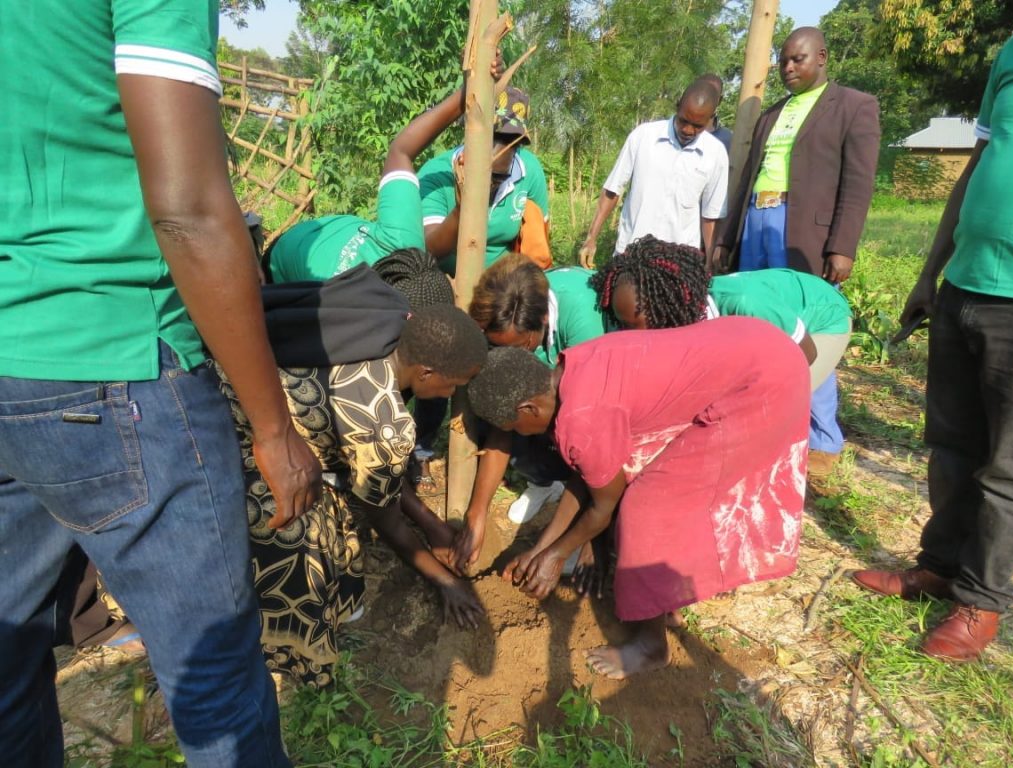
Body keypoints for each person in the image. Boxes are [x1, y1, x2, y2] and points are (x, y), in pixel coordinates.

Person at [0, 1, 321, 766]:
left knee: (7, 672)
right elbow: (187, 211)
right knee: (215, 686)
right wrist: (274, 432)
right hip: (114, 361)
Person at [467, 318, 809, 679]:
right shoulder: (573, 369)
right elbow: (587, 477)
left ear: (528, 410)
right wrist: (542, 550)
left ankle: (651, 645)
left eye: (514, 429)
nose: (521, 435)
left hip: (760, 385)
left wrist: (555, 555)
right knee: (673, 487)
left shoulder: (582, 419)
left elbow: (604, 504)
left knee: (646, 509)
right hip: (758, 347)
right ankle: (666, 597)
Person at [851, 31, 1013, 662]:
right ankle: (940, 568)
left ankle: (980, 602)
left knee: (1009, 468)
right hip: (966, 283)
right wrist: (931, 273)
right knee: (951, 448)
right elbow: (976, 167)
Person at [219, 302, 489, 685]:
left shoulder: (377, 334)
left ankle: (340, 603)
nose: (452, 394)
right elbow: (386, 520)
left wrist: (431, 524)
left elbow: (379, 474)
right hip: (234, 441)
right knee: (302, 537)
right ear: (426, 373)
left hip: (240, 390)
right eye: (454, 384)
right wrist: (447, 582)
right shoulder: (385, 424)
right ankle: (289, 659)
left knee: (338, 514)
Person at [713, 27, 881, 478]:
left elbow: (859, 182)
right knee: (754, 327)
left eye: (797, 60)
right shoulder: (773, 114)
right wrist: (727, 238)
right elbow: (746, 177)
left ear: (822, 57)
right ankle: (762, 425)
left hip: (803, 231)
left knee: (807, 328)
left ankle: (823, 439)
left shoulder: (853, 106)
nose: (788, 68)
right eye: (783, 61)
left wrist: (842, 246)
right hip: (756, 221)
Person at [449, 254, 610, 573]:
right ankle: (544, 483)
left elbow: (601, 436)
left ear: (543, 324)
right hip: (544, 406)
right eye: (499, 347)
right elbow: (506, 414)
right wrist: (477, 513)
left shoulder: (583, 323)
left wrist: (588, 539)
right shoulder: (504, 317)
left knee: (580, 446)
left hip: (601, 414)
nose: (510, 356)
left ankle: (588, 521)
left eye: (521, 347)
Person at [267, 68, 498, 283]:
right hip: (285, 262)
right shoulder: (347, 304)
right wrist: (466, 93)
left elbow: (401, 150)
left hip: (308, 243)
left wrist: (466, 94)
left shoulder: (402, 242)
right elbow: (401, 150)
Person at [592, 236, 852, 390]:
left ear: (666, 311)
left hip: (822, 317)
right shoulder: (685, 311)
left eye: (632, 326)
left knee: (777, 399)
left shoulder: (745, 304)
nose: (627, 335)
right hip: (775, 311)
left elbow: (805, 354)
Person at [578, 78, 728, 268]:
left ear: (710, 118)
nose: (688, 130)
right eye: (683, 121)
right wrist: (591, 238)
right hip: (630, 257)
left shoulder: (716, 153)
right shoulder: (643, 136)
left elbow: (711, 216)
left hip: (679, 264)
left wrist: (707, 266)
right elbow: (612, 190)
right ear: (677, 106)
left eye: (698, 126)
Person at [419, 87, 551, 276]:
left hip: (503, 286)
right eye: (493, 136)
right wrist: (462, 208)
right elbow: (430, 250)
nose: (504, 149)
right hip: (444, 284)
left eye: (512, 141)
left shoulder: (530, 171)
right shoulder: (437, 175)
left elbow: (538, 246)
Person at [696, 73, 733, 153]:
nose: (705, 98)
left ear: (719, 100)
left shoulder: (727, 139)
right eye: (702, 91)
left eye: (712, 94)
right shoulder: (671, 131)